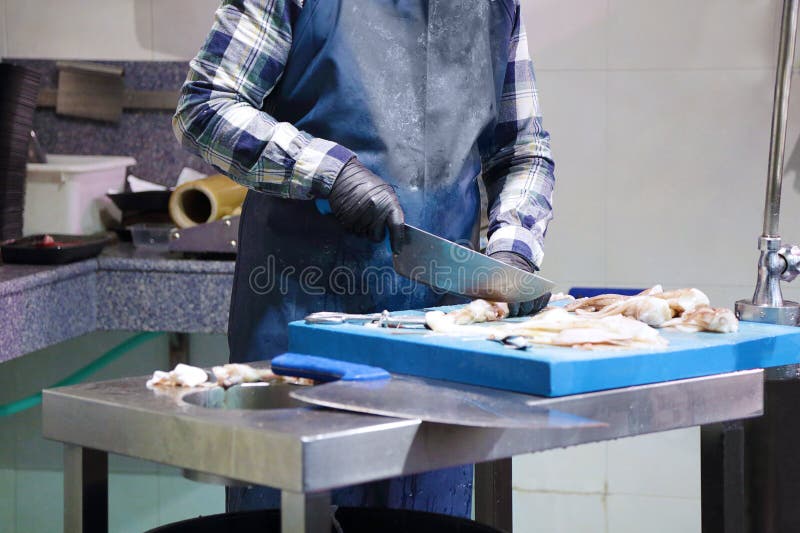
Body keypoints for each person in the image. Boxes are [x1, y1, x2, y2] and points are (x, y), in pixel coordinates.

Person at [173, 0, 555, 518]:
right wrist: (326, 171)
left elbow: (522, 151)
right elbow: (206, 105)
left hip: (439, 344)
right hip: (300, 335)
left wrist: (512, 249)